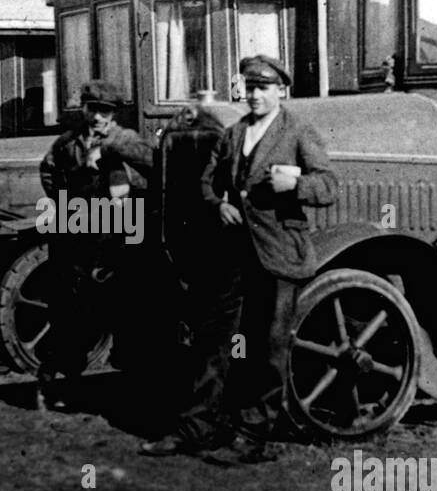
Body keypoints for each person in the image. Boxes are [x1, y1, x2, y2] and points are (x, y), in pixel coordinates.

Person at [140, 55, 337, 465]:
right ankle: (196, 428)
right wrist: (217, 205)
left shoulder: (298, 130)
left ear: (281, 90)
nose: (255, 95)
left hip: (278, 253)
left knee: (267, 349)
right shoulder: (234, 134)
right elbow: (207, 181)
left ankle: (251, 437)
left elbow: (328, 186)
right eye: (249, 88)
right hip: (232, 254)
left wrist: (295, 183)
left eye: (263, 88)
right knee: (215, 341)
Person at [35, 80, 152, 409]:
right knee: (69, 309)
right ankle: (66, 381)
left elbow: (153, 165)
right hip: (76, 231)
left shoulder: (125, 139)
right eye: (93, 110)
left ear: (113, 114)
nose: (98, 117)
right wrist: (63, 201)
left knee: (122, 307)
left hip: (117, 232)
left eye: (105, 112)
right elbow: (48, 170)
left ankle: (131, 386)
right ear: (83, 109)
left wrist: (115, 153)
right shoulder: (68, 143)